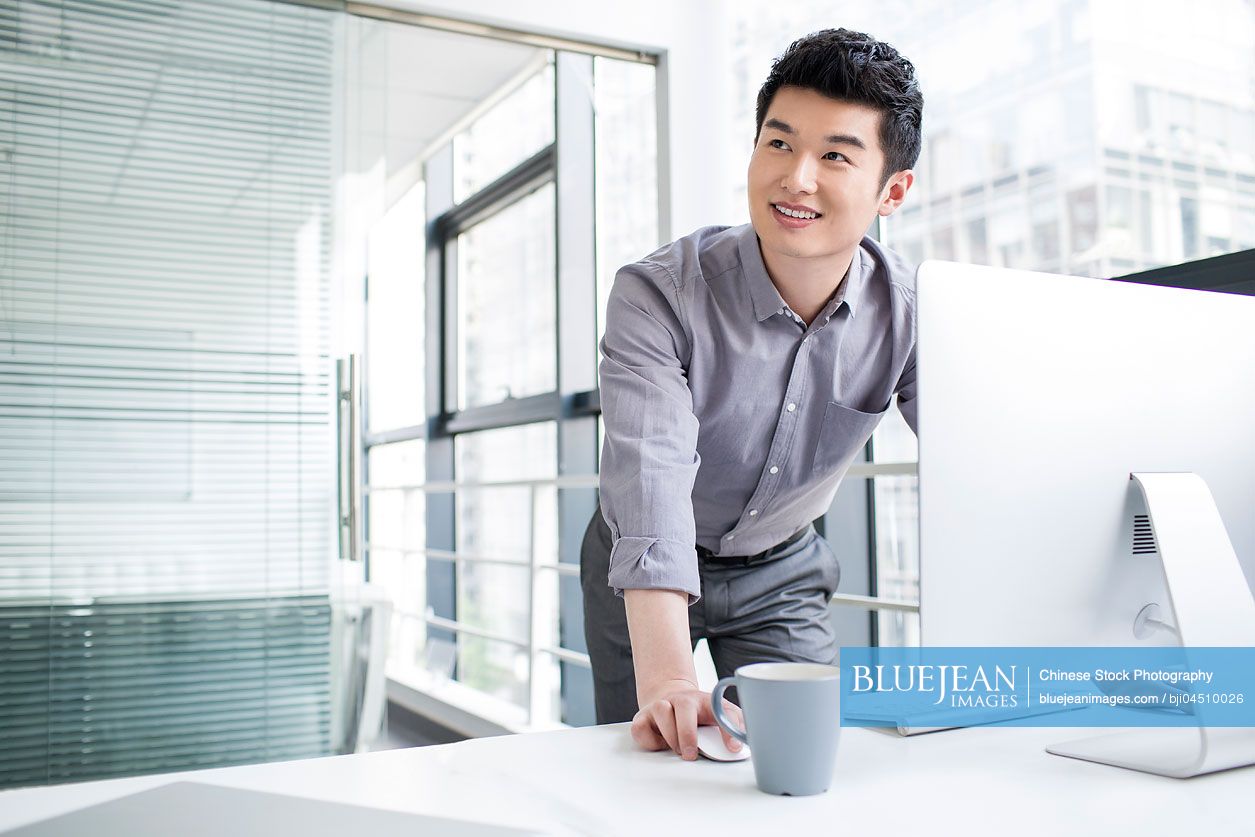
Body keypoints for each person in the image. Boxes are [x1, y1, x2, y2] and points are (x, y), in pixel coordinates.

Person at [581, 27, 923, 761]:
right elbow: (651, 477)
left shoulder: (913, 314)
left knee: (805, 756)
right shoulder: (656, 294)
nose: (795, 177)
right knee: (642, 754)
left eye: (834, 154)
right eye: (777, 143)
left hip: (781, 566)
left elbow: (980, 462)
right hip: (638, 558)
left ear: (891, 190)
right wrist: (670, 680)